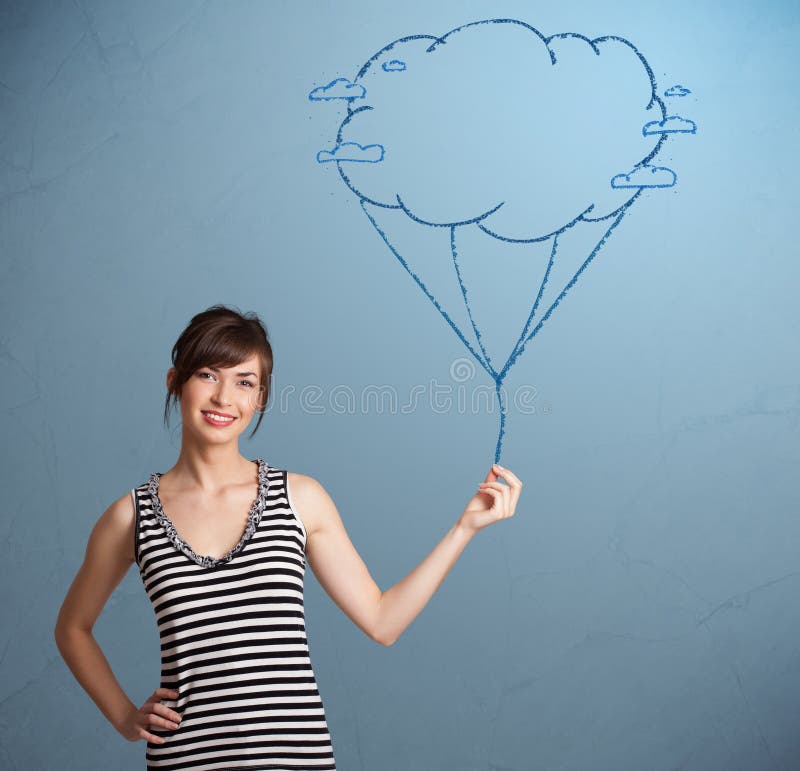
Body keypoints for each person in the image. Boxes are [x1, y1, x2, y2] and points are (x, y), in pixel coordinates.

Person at [53, 304, 524, 770]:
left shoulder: (300, 498)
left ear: (260, 397)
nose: (224, 398)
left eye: (245, 382)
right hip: (184, 760)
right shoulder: (131, 516)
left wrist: (463, 529)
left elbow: (383, 622)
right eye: (208, 375)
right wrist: (123, 717)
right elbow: (72, 629)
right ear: (175, 381)